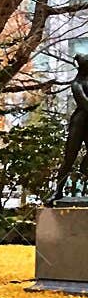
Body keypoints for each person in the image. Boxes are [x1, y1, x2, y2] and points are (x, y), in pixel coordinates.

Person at [56, 50, 88, 201]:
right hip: (80, 123)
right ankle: (58, 192)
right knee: (69, 158)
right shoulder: (77, 84)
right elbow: (84, 103)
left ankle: (84, 170)